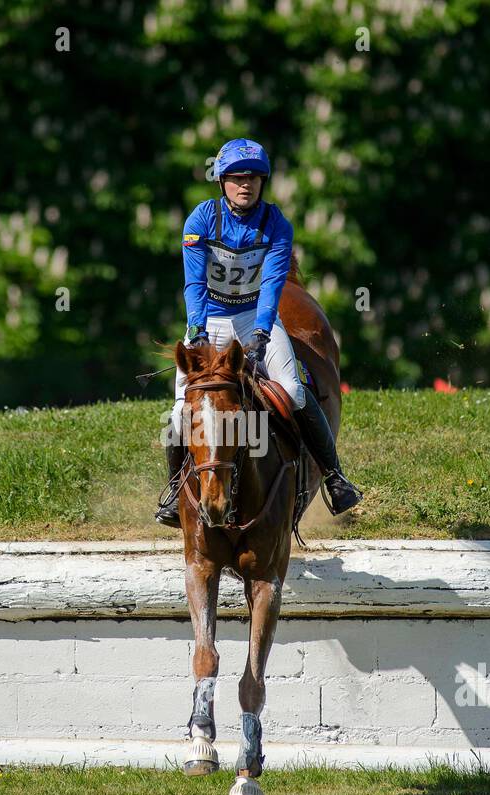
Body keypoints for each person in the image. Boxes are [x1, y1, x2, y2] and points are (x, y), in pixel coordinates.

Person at [156, 137, 363, 527]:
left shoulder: (276, 224)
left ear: (262, 182)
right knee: (182, 408)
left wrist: (263, 333)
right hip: (210, 320)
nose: (244, 184)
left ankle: (335, 478)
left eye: (253, 177)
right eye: (235, 177)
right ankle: (173, 492)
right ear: (221, 182)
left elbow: (272, 286)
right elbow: (194, 284)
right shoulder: (200, 221)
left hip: (256, 319)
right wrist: (197, 331)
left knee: (295, 390)